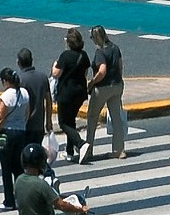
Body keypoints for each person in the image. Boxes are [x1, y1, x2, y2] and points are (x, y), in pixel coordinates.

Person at [0, 67, 31, 203]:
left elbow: (0, 119)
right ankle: (21, 197)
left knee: (6, 169)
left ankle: (9, 200)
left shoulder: (6, 96)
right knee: (18, 168)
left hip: (7, 133)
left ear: (6, 81)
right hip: (21, 133)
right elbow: (27, 114)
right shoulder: (25, 93)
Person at [87, 25, 127, 158]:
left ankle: (88, 149)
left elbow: (102, 71)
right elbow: (120, 66)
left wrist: (92, 82)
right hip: (117, 85)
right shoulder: (115, 48)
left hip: (102, 88)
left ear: (96, 37)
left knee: (92, 117)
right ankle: (119, 150)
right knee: (116, 118)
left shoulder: (100, 52)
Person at [53, 26, 91, 159]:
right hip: (80, 93)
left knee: (63, 123)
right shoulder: (84, 56)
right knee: (71, 120)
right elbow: (85, 73)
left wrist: (54, 65)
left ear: (69, 42)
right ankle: (69, 151)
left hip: (66, 93)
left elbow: (56, 73)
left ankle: (80, 144)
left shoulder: (65, 56)